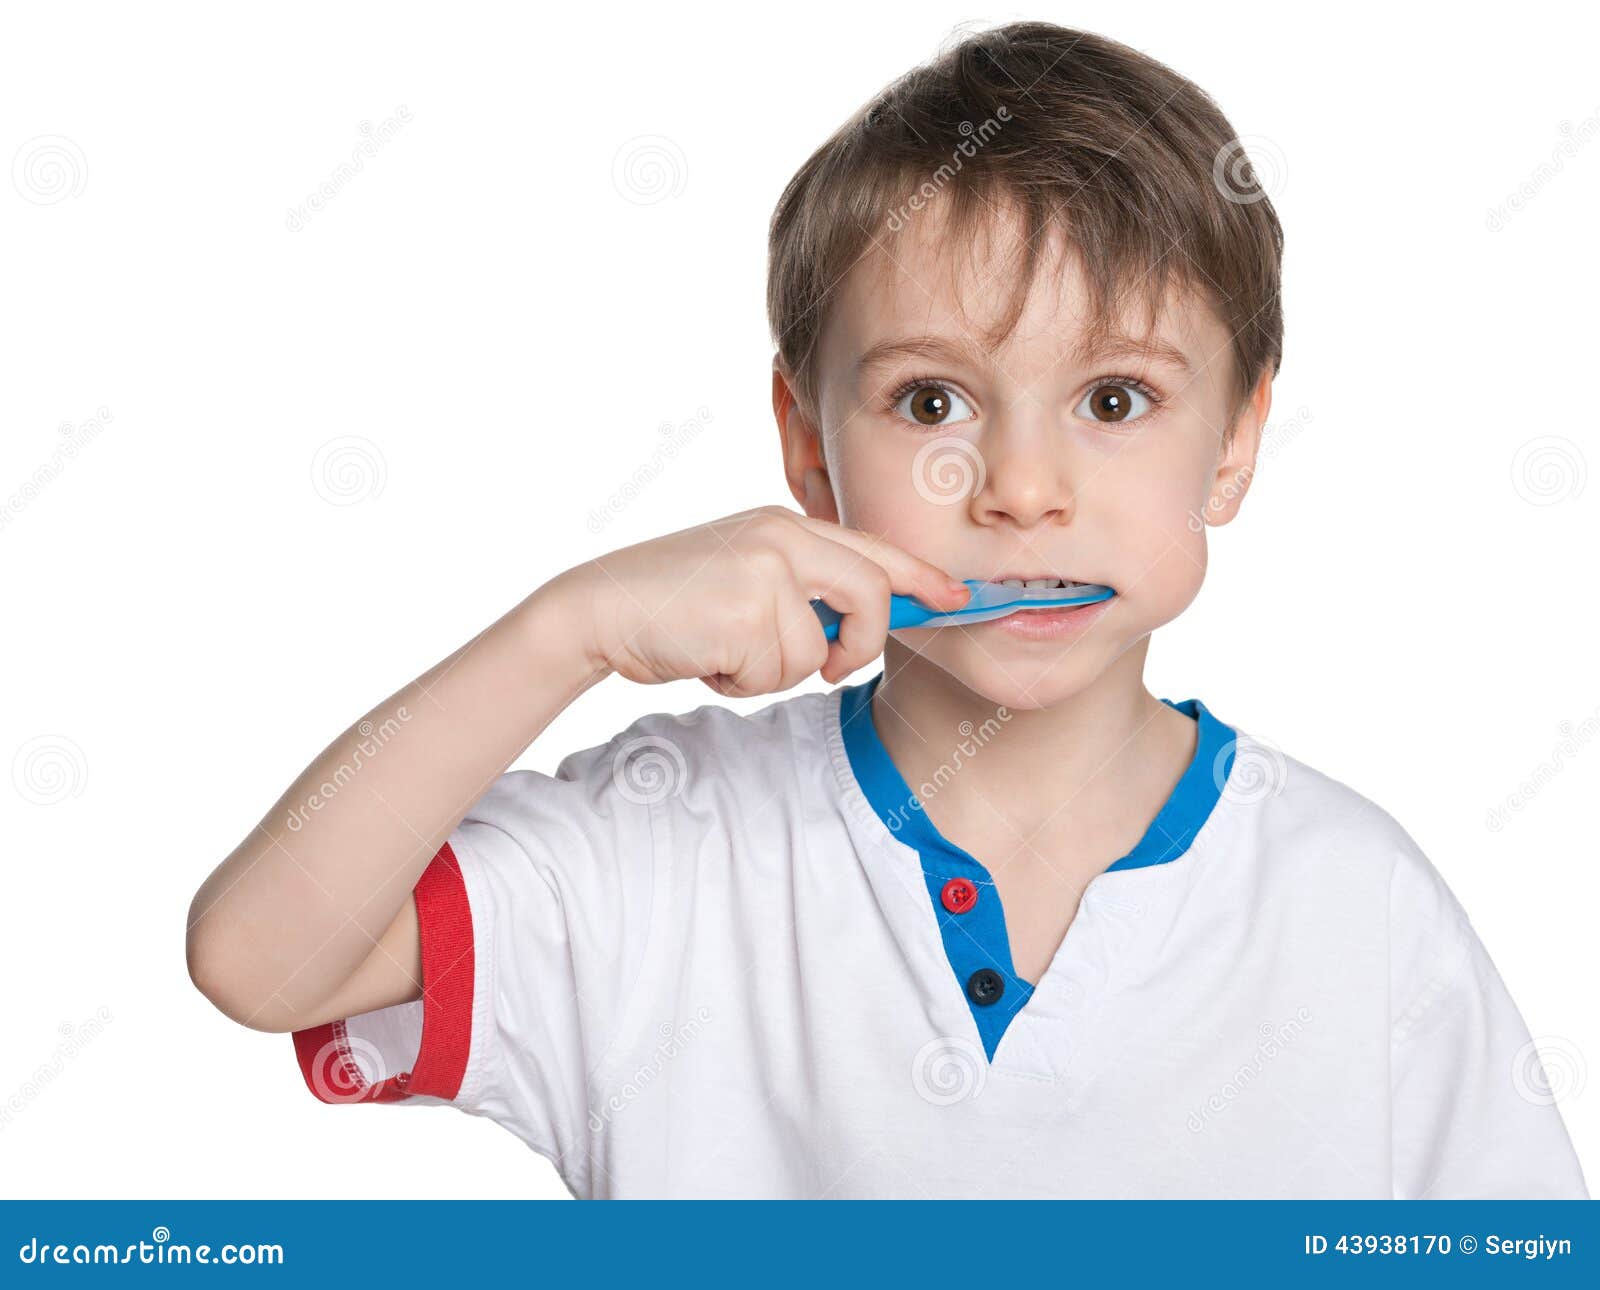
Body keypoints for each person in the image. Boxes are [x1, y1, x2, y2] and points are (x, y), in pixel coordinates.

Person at [186, 21, 1589, 1199]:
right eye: (932, 401)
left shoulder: (1360, 900)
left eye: (1116, 400)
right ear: (809, 450)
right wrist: (572, 629)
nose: (1024, 490)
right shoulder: (663, 851)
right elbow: (258, 961)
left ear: (1233, 444)